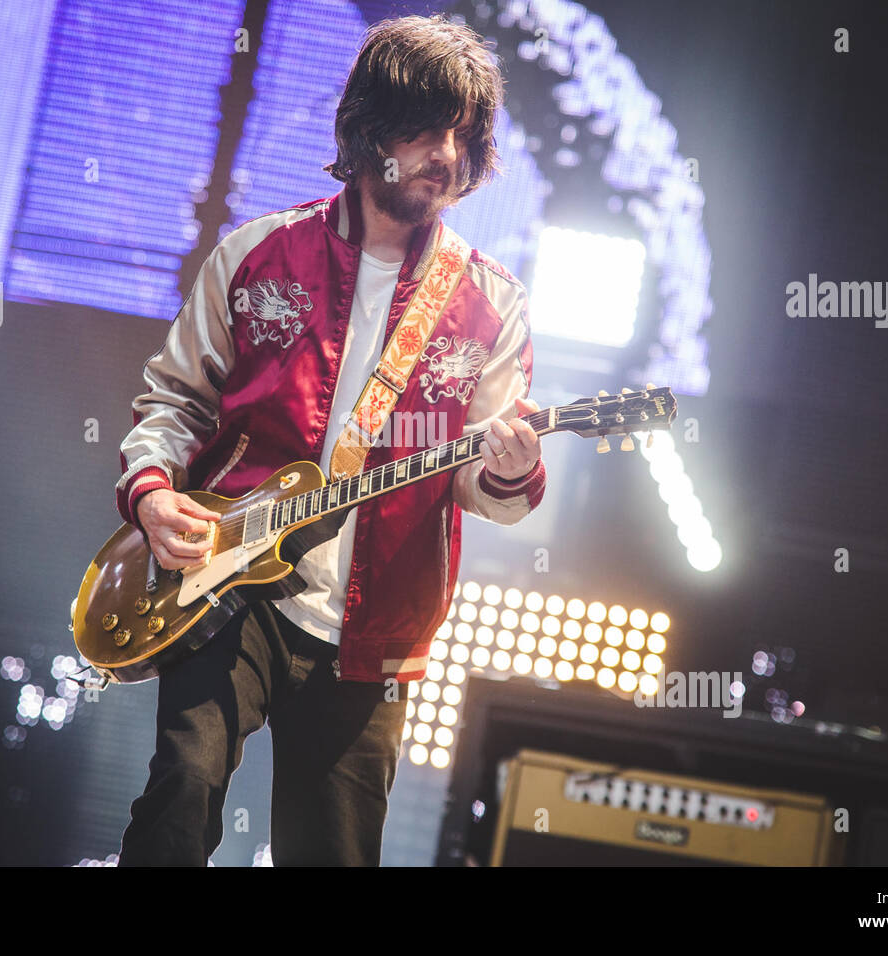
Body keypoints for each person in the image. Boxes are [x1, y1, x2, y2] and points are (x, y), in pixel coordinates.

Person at [114, 14, 546, 866]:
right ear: (367, 128)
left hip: (376, 628)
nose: (446, 154)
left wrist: (512, 469)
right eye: (426, 127)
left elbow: (485, 487)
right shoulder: (258, 254)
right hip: (225, 581)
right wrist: (155, 491)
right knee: (183, 790)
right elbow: (174, 398)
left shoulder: (493, 305)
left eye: (466, 135)